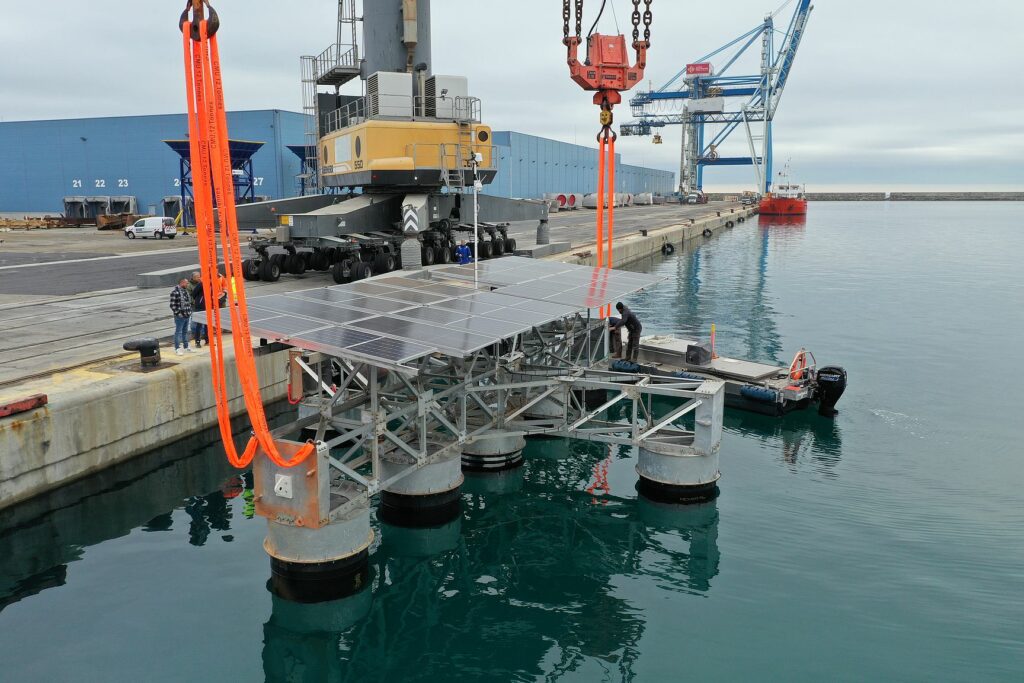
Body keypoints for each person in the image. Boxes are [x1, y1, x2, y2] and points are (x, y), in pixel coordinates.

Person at [169, 278, 195, 355]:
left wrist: (189, 312)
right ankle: (177, 348)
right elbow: (172, 305)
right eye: (186, 283)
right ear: (182, 283)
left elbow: (188, 303)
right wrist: (179, 314)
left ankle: (186, 346)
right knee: (178, 332)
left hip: (187, 315)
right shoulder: (175, 292)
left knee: (185, 332)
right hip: (180, 316)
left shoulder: (185, 291)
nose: (187, 285)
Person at [191, 273, 207, 347]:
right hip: (200, 306)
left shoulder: (210, 283)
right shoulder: (201, 284)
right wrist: (199, 300)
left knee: (207, 324)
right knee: (199, 324)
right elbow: (193, 293)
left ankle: (207, 340)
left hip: (207, 306)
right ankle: (197, 342)